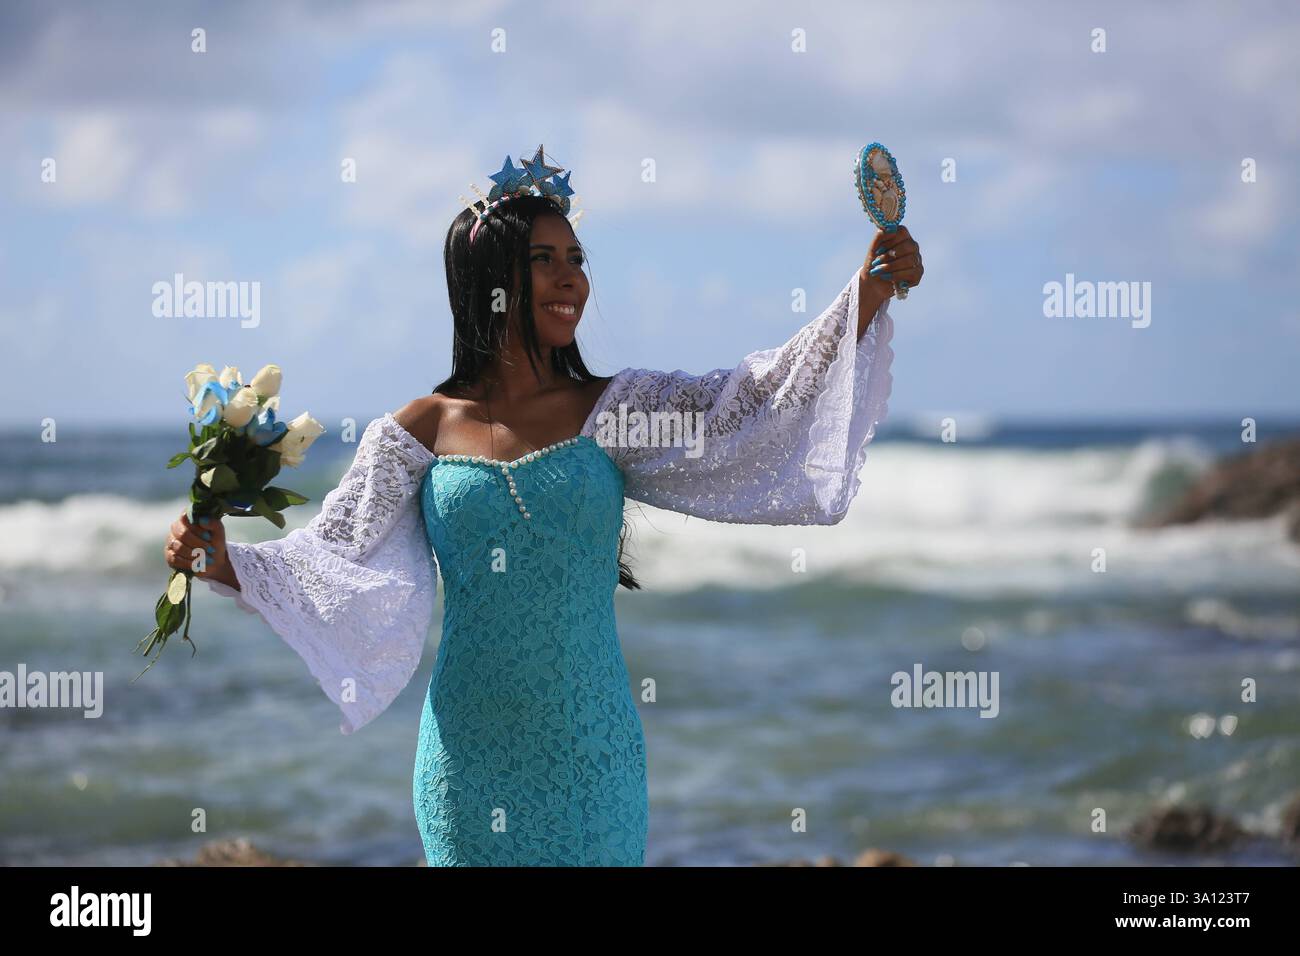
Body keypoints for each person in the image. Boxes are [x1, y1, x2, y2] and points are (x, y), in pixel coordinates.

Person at [162, 148, 921, 866]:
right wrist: (222, 561)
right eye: (545, 261)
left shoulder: (616, 410)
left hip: (594, 754)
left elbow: (748, 404)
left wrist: (866, 295)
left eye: (577, 261)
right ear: (489, 279)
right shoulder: (419, 430)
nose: (571, 281)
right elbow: (331, 556)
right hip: (469, 758)